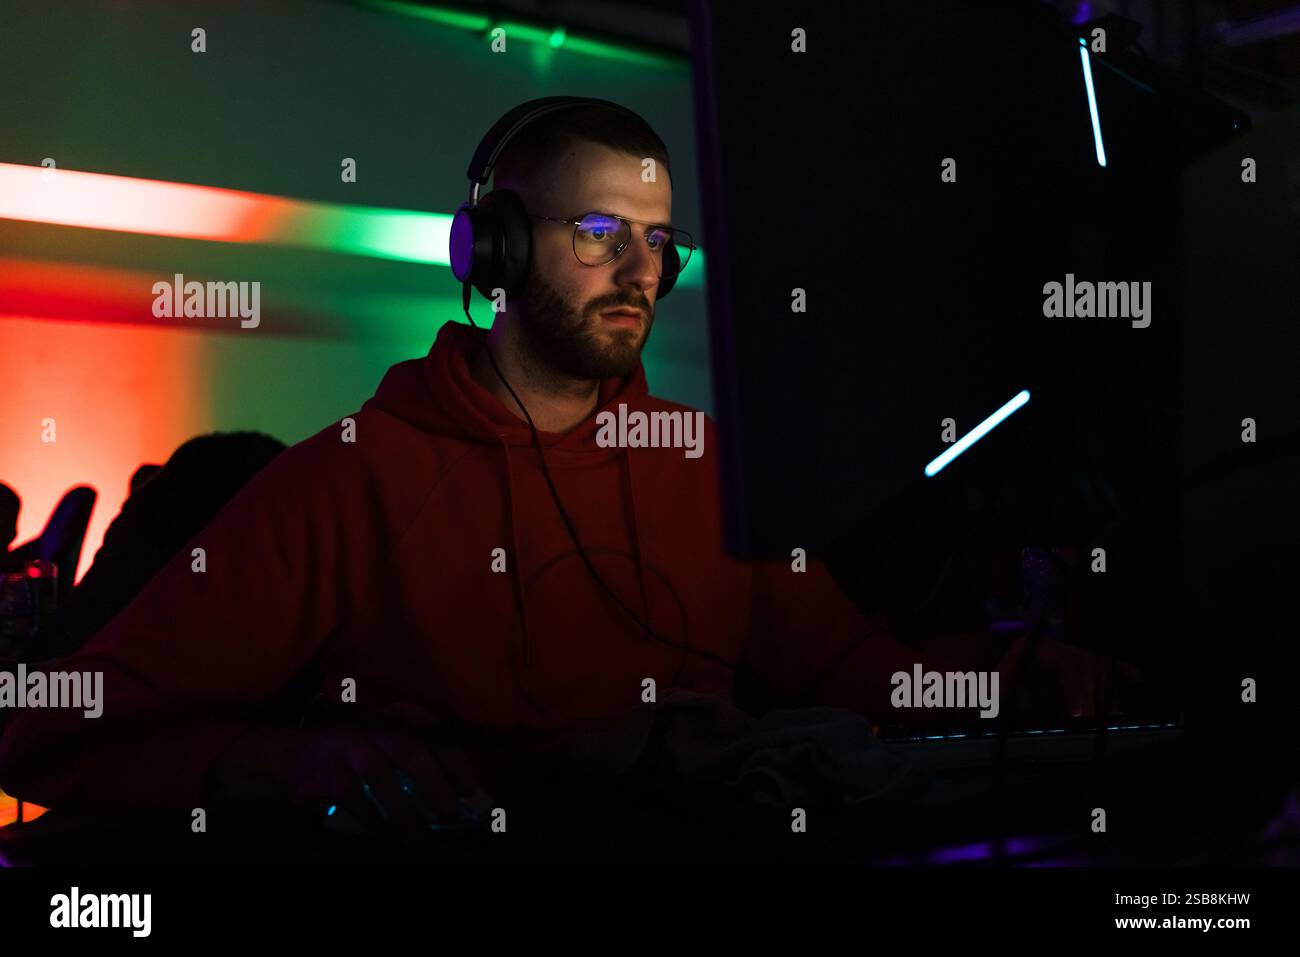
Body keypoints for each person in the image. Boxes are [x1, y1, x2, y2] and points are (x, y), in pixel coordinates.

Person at [0, 102, 1117, 841]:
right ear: (488, 250)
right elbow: (49, 736)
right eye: (597, 231)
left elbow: (851, 672)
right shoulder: (352, 480)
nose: (641, 272)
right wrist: (289, 766)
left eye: (658, 241)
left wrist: (1000, 679)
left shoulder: (704, 460)